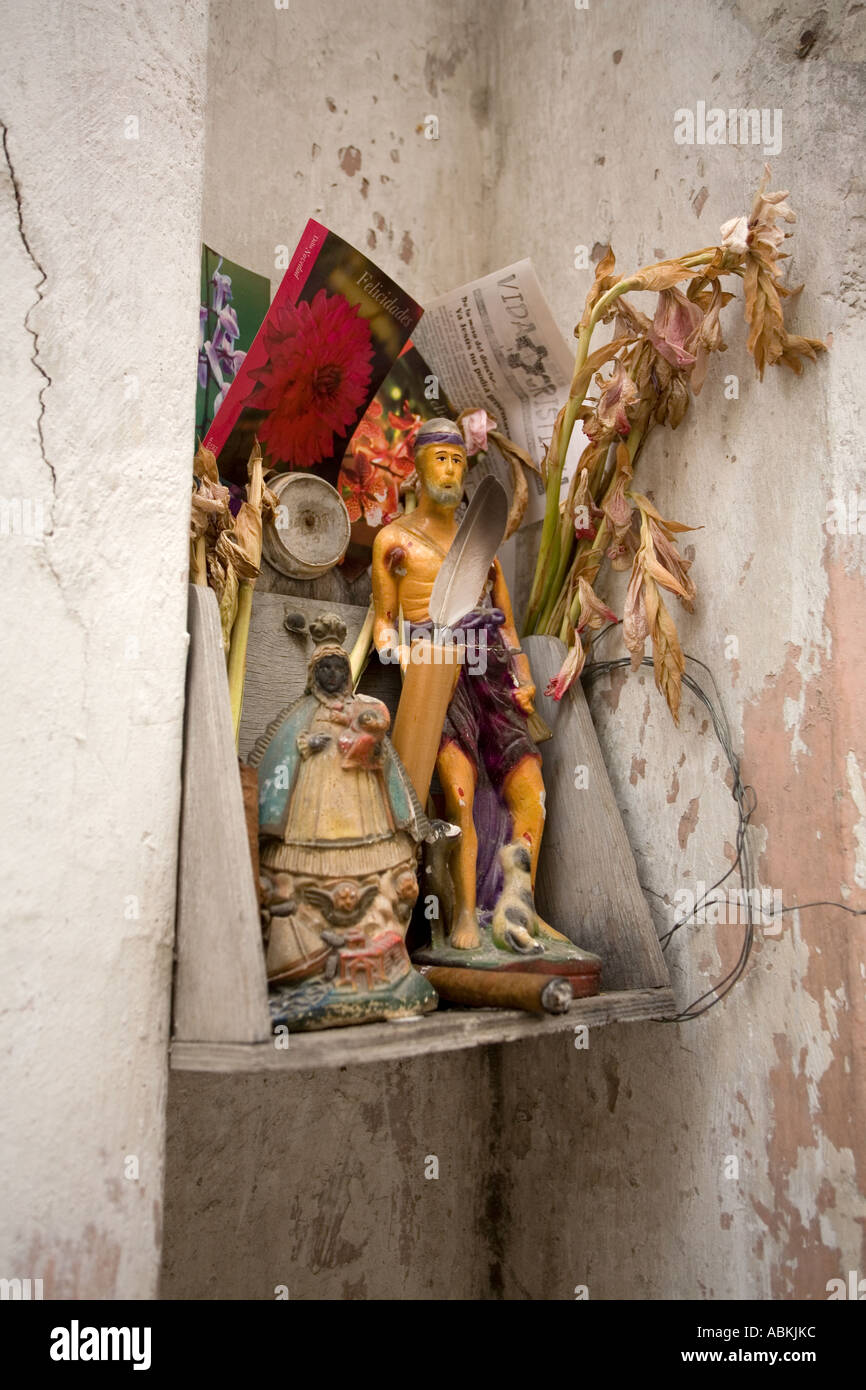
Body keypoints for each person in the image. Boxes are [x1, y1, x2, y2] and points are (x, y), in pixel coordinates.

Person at [372, 418, 570, 954]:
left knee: (532, 790)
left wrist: (524, 679)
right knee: (458, 797)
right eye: (441, 458)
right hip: (437, 676)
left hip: (492, 674)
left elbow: (504, 622)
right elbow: (384, 623)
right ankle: (462, 914)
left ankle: (523, 906)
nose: (451, 469)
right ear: (418, 465)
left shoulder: (479, 548)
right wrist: (406, 658)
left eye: (459, 461)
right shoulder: (393, 541)